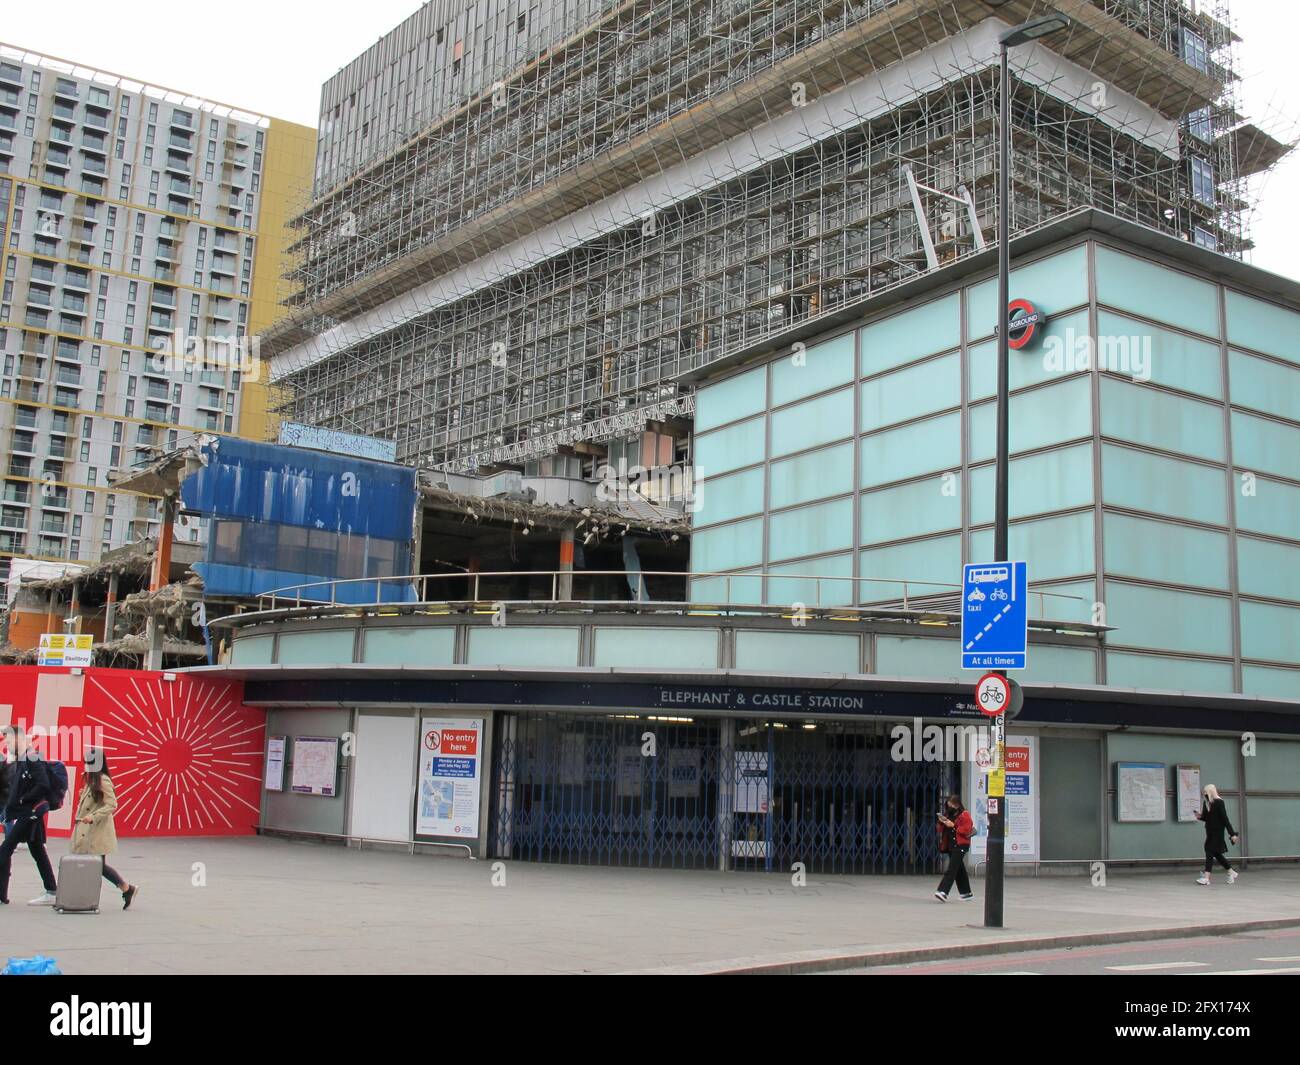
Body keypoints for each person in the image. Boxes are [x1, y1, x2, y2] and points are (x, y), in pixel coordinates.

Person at [70, 747, 138, 909]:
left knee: (95, 865)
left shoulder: (103, 780)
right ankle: (126, 888)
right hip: (87, 830)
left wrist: (92, 817)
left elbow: (112, 804)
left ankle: (92, 897)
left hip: (96, 830)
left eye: (89, 762)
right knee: (95, 865)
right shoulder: (90, 779)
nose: (86, 765)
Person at [0, 725, 58, 906]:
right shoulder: (22, 759)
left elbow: (43, 785)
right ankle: (51, 890)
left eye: (9, 742)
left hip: (29, 813)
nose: (7, 746)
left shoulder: (32, 758)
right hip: (27, 813)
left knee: (4, 850)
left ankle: (51, 891)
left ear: (18, 739)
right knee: (37, 851)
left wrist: (23, 800)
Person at [1195, 783, 1240, 886]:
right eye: (1204, 792)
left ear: (1211, 792)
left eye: (1206, 792)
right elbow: (1207, 817)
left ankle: (1206, 878)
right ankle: (1231, 872)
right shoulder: (1207, 802)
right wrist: (1199, 816)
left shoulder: (1219, 802)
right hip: (1209, 831)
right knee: (1216, 853)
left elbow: (1225, 819)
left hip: (1218, 832)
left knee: (1209, 851)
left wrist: (1232, 834)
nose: (1204, 794)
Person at [934, 793, 974, 902]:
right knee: (959, 869)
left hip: (961, 845)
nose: (949, 807)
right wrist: (942, 822)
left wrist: (954, 826)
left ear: (957, 805)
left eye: (951, 805)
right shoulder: (949, 814)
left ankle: (943, 891)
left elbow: (966, 829)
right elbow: (939, 829)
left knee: (952, 869)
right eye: (948, 805)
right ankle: (966, 893)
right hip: (951, 845)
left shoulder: (964, 814)